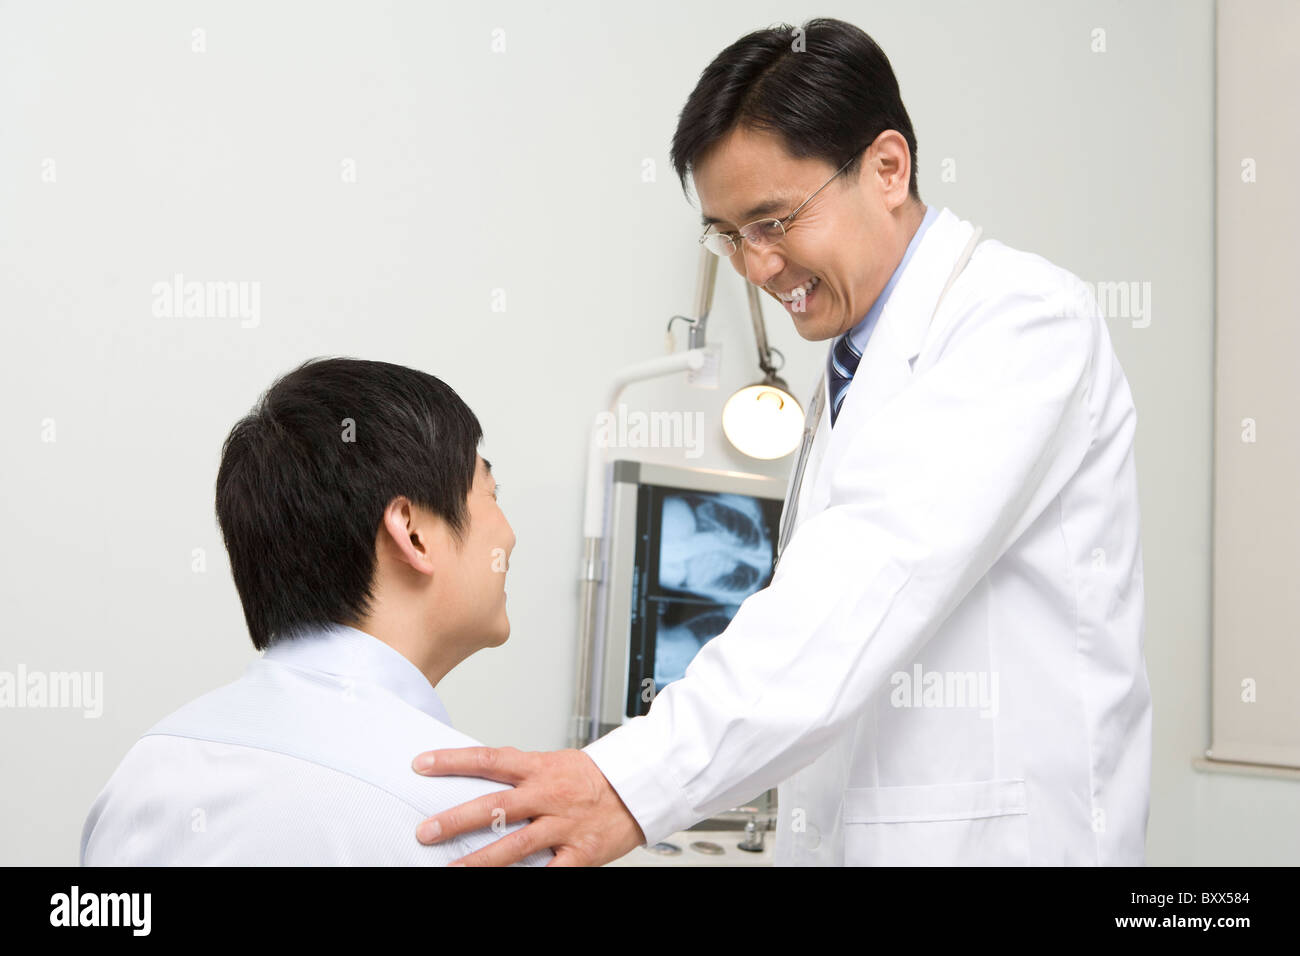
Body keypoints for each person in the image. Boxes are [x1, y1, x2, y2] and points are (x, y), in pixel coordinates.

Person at [407, 17, 1152, 866]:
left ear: (886, 168)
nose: (757, 269)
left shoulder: (1019, 321)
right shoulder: (849, 371)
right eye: (728, 235)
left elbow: (865, 585)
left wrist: (629, 782)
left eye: (774, 221)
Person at [80, 358, 552, 865]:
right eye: (491, 493)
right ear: (412, 532)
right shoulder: (478, 826)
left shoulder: (145, 773)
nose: (510, 534)